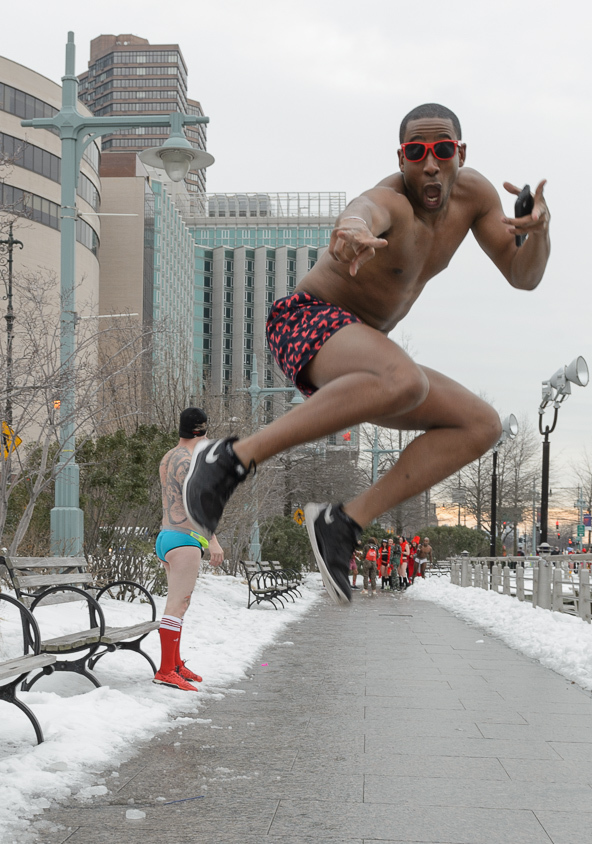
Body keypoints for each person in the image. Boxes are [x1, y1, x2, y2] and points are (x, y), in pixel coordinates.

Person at [180, 103, 550, 604]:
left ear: (461, 153)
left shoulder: (477, 198)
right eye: (416, 154)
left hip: (361, 345)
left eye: (442, 151)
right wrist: (351, 228)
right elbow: (364, 207)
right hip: (304, 319)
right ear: (401, 159)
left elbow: (523, 277)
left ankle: (343, 523)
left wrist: (537, 234)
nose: (430, 166)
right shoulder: (391, 203)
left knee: (480, 424)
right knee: (405, 379)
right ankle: (231, 459)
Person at [152, 408, 225, 692]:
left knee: (181, 603)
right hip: (184, 539)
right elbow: (196, 504)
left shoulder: (168, 457)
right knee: (176, 604)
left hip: (167, 536)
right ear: (202, 432)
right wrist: (213, 541)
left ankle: (176, 663)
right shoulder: (190, 461)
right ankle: (166, 670)